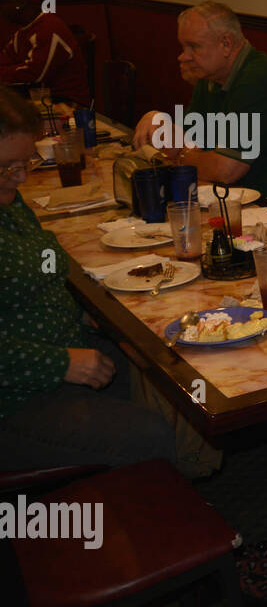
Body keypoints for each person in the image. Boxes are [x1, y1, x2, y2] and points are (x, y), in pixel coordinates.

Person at [0, 86, 176, 470]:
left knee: (166, 367)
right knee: (151, 433)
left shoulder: (10, 205)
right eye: (6, 167)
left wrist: (75, 311)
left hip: (59, 346)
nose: (18, 178)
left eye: (23, 163)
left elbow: (45, 258)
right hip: (16, 396)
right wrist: (59, 363)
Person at [132, 2, 267, 198]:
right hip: (229, 195)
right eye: (183, 46)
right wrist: (154, 117)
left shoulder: (258, 78)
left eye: (193, 47)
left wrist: (179, 155)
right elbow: (187, 138)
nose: (183, 56)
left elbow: (226, 169)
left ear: (226, 44)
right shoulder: (211, 76)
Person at [0, 0, 91, 106]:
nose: (1, 8)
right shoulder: (22, 32)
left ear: (20, 4)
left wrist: (8, 71)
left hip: (67, 104)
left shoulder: (49, 29)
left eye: (3, 3)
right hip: (40, 101)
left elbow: (33, 75)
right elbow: (5, 61)